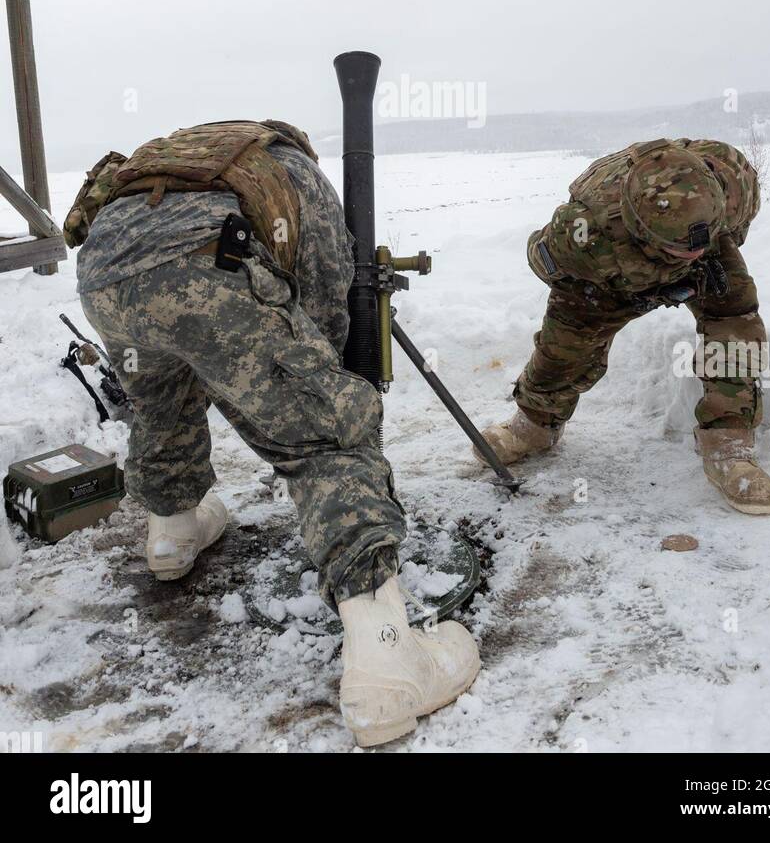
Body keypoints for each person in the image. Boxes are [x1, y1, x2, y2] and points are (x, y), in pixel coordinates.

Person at [63, 118, 479, 746]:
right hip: (208, 267)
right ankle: (389, 663)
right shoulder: (291, 170)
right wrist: (329, 385)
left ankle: (173, 531)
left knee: (162, 400)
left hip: (106, 283)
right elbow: (325, 299)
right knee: (328, 433)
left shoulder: (178, 161)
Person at [474, 138, 770, 515]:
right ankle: (535, 424)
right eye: (683, 249)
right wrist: (633, 286)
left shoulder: (735, 181)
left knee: (737, 324)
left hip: (700, 236)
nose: (693, 255)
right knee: (566, 342)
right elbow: (547, 267)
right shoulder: (582, 232)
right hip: (606, 274)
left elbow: (726, 235)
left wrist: (691, 259)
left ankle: (728, 444)